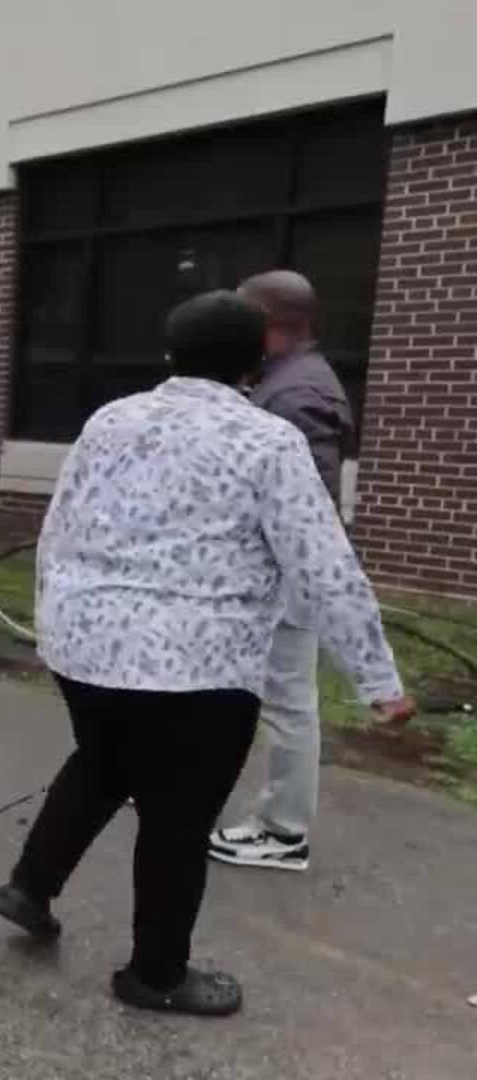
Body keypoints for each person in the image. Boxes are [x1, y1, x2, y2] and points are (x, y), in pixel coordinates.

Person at [0, 291, 413, 1017]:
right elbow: (323, 565)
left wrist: (54, 625)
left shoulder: (107, 421)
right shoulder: (266, 442)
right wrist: (378, 679)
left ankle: (30, 887)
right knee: (177, 816)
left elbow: (59, 527)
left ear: (169, 355)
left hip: (88, 648)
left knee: (100, 764)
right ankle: (155, 974)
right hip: (200, 668)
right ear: (255, 363)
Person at [201, 270, 353, 873]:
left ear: (266, 320)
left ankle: (283, 829)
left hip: (285, 578)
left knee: (287, 699)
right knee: (230, 683)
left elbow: (303, 505)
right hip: (268, 573)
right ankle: (188, 785)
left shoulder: (298, 395)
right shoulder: (284, 380)